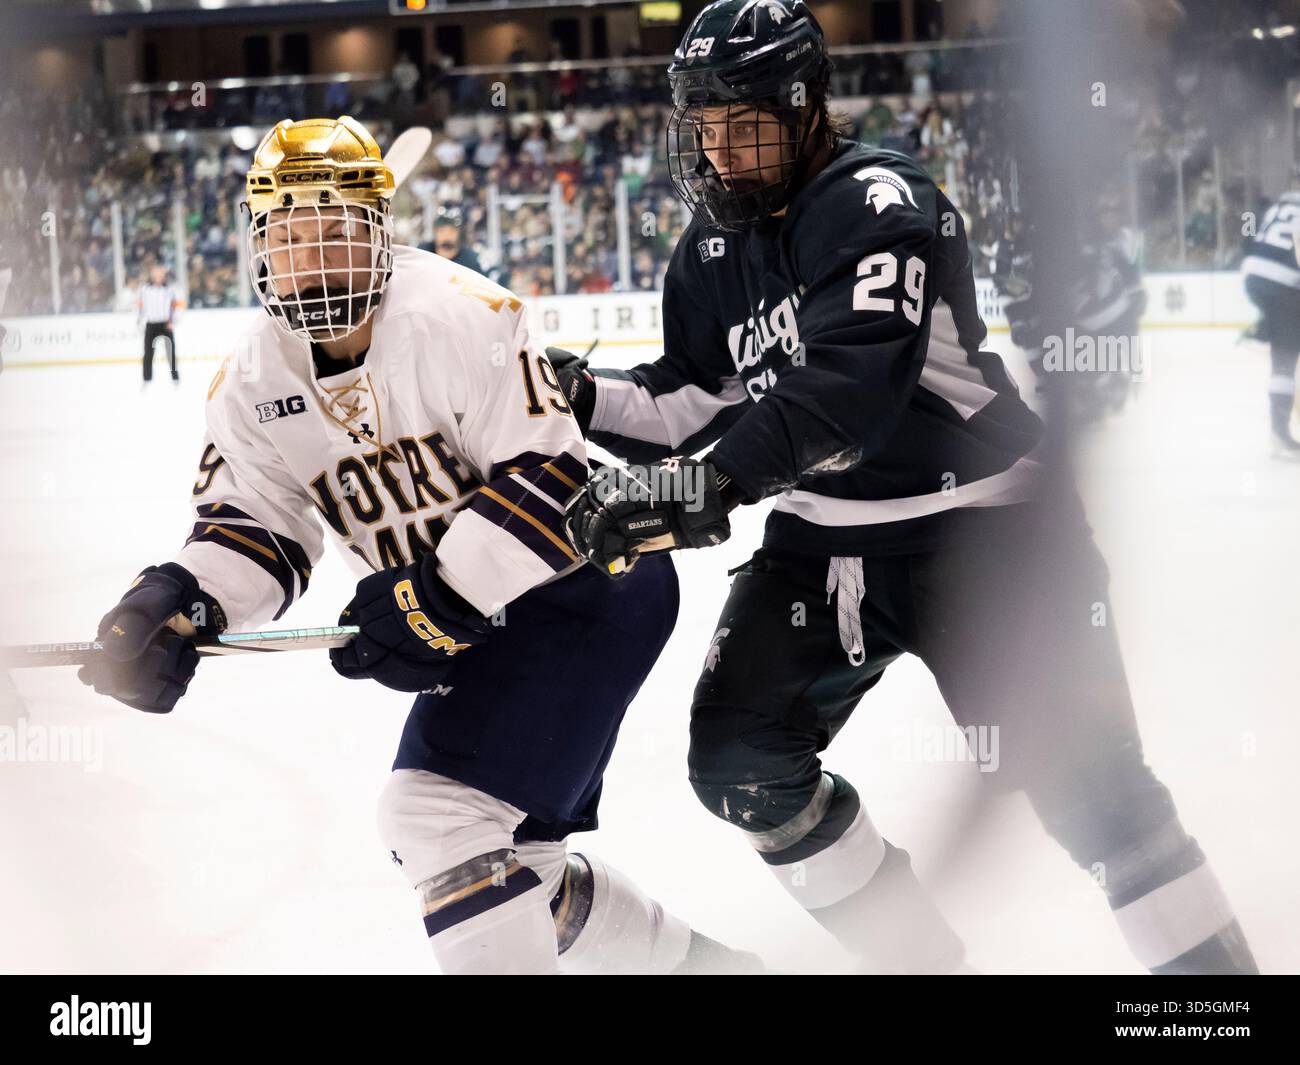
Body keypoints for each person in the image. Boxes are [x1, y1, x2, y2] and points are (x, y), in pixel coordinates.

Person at [557, 0, 1257, 975]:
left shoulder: (878, 200)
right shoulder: (710, 255)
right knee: (740, 766)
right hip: (823, 548)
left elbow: (846, 390)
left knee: (1099, 801)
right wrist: (570, 391)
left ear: (805, 108)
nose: (716, 152)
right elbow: (682, 398)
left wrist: (703, 486)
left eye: (740, 123)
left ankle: (1214, 1000)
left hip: (989, 535)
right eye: (703, 128)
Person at [77, 115, 756, 976]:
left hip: (590, 589)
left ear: (378, 233)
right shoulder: (250, 382)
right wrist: (180, 597)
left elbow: (549, 477)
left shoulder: (465, 317)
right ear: (257, 248)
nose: (314, 258)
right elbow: (256, 524)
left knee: (434, 816)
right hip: (481, 620)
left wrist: (433, 600)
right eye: (290, 236)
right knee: (516, 869)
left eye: (336, 232)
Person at [1242, 181, 1300, 457]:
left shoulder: (1276, 205)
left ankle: (1267, 323)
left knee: (1284, 342)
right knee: (1285, 360)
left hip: (1253, 274)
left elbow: (1247, 238)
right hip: (1283, 282)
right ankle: (1279, 433)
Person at [137, 264, 183, 385]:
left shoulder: (170, 289)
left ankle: (175, 378)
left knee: (171, 352)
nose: (158, 277)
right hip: (151, 324)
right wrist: (140, 321)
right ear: (152, 275)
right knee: (148, 352)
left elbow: (177, 306)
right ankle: (147, 379)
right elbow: (140, 308)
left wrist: (173, 321)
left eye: (160, 275)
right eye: (156, 274)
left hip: (165, 324)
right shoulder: (144, 289)